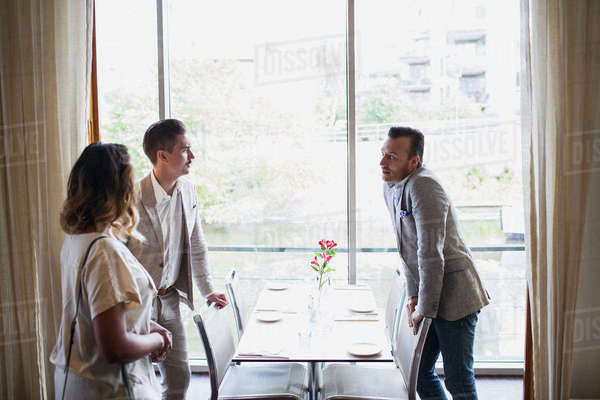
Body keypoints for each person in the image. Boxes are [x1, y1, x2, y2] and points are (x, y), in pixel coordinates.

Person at [51, 143, 172, 399]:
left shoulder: (76, 241)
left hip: (75, 380)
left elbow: (95, 312)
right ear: (119, 190)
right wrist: (158, 340)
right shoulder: (105, 250)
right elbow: (114, 347)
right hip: (110, 388)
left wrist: (144, 324)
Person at [380, 127, 490, 400]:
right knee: (419, 374)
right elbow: (405, 248)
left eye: (392, 156)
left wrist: (424, 309)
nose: (383, 163)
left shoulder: (424, 185)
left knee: (459, 382)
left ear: (414, 161)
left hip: (456, 295)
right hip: (429, 292)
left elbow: (430, 253)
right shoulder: (391, 186)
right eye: (382, 154)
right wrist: (414, 296)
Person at [127, 119, 228, 400]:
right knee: (139, 382)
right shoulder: (130, 197)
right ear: (163, 155)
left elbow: (197, 246)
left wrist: (208, 290)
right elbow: (118, 260)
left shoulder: (189, 191)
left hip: (170, 299)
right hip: (137, 306)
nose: (192, 156)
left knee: (180, 378)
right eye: (186, 149)